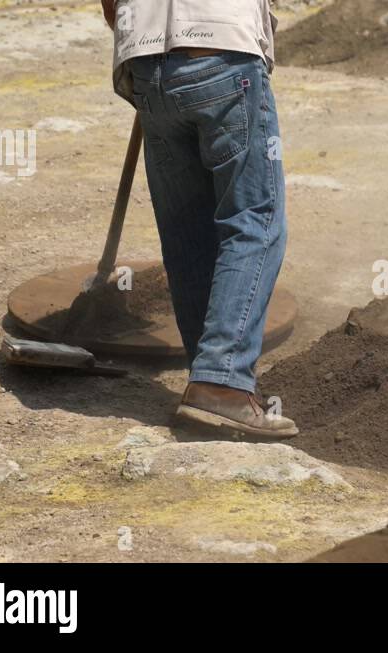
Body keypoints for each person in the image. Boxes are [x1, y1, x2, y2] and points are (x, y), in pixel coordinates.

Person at [101, 0, 298, 437]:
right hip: (221, 53)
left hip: (147, 67)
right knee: (254, 220)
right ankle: (221, 381)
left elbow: (111, 8)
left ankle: (208, 380)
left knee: (186, 230)